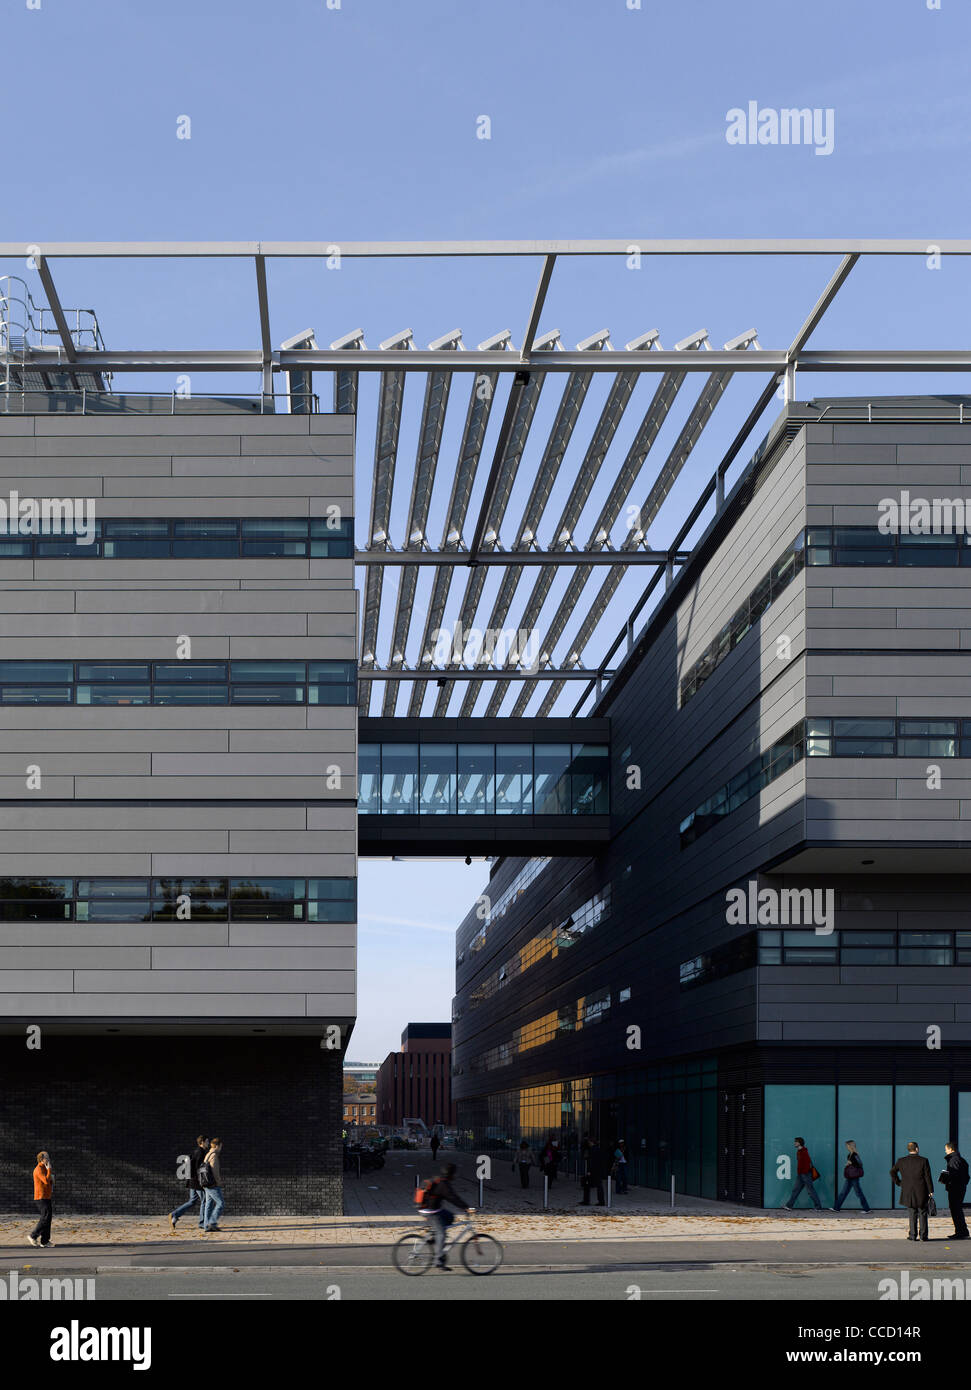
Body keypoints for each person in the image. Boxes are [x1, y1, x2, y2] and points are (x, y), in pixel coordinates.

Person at [417, 1163, 473, 1270]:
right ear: (451, 1174)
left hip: (434, 1209)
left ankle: (434, 1236)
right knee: (441, 1233)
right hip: (429, 1211)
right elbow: (453, 1198)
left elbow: (452, 1197)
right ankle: (438, 1260)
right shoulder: (443, 1185)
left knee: (450, 1217)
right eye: (454, 1174)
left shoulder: (440, 1180)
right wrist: (466, 1208)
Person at [890, 1140, 934, 1241]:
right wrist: (931, 1190)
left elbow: (892, 1172)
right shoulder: (924, 1160)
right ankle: (923, 1235)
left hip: (907, 1190)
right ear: (917, 1149)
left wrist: (899, 1182)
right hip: (921, 1190)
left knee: (912, 1212)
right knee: (922, 1212)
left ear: (909, 1150)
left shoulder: (901, 1161)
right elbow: (928, 1177)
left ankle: (913, 1235)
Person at [169, 1134, 210, 1231]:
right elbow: (199, 1169)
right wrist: (203, 1182)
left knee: (192, 1201)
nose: (208, 1143)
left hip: (192, 1180)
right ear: (202, 1142)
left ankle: (174, 1215)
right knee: (204, 1200)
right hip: (197, 1181)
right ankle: (202, 1222)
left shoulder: (196, 1151)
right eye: (207, 1141)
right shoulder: (201, 1152)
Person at [939, 1141, 970, 1240]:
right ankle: (962, 1231)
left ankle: (961, 1232)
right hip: (960, 1188)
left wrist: (945, 1179)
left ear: (951, 1149)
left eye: (946, 1149)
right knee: (957, 1209)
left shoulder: (953, 1160)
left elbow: (954, 1175)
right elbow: (966, 1177)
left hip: (955, 1189)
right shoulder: (961, 1160)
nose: (945, 1151)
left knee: (956, 1210)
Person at [783, 1137, 822, 1211]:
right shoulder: (799, 1151)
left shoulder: (804, 1151)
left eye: (796, 1142)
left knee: (810, 1191)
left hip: (805, 1174)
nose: (794, 1143)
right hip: (801, 1174)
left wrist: (805, 1172)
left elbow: (808, 1163)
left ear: (799, 1143)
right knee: (796, 1190)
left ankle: (818, 1207)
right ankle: (789, 1206)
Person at [833, 1139, 871, 1214]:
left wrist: (850, 1163)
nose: (846, 1147)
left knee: (858, 1193)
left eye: (847, 1145)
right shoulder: (849, 1155)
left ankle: (867, 1209)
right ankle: (836, 1208)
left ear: (851, 1146)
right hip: (849, 1176)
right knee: (843, 1192)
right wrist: (849, 1163)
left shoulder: (855, 1155)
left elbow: (860, 1164)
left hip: (854, 1176)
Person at [28, 1150, 54, 1248]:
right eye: (46, 1157)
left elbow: (49, 1182)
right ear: (41, 1159)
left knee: (48, 1218)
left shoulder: (44, 1168)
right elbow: (46, 1181)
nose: (48, 1159)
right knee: (45, 1217)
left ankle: (45, 1241)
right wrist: (49, 1170)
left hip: (47, 1196)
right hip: (40, 1197)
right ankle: (33, 1235)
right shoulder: (38, 1169)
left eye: (48, 1157)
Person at [201, 1138, 225, 1232]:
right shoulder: (214, 1155)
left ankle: (206, 1226)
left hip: (205, 1183)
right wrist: (218, 1182)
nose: (221, 1148)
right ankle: (212, 1222)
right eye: (221, 1146)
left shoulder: (208, 1154)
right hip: (212, 1184)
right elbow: (215, 1171)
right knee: (221, 1203)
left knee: (209, 1204)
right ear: (218, 1146)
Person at [579, 1135, 605, 1206]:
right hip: (598, 1170)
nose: (588, 1143)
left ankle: (587, 1201)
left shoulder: (592, 1150)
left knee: (587, 1185)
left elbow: (592, 1162)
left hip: (593, 1171)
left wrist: (589, 1171)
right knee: (598, 1185)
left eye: (589, 1142)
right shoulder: (598, 1149)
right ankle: (600, 1201)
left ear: (591, 1142)